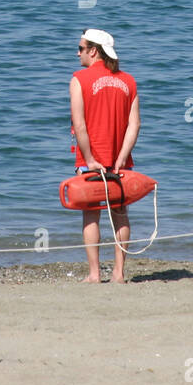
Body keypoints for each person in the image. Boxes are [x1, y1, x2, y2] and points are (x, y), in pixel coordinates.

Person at [69, 28, 140, 283]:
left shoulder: (79, 79)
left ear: (93, 51)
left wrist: (88, 159)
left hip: (91, 160)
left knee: (91, 214)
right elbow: (135, 125)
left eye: (80, 48)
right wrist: (122, 157)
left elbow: (79, 125)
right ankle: (119, 274)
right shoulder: (128, 81)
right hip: (121, 161)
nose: (77, 53)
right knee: (120, 214)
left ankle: (94, 274)